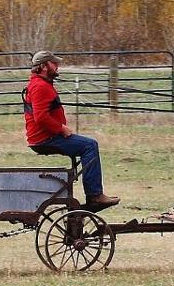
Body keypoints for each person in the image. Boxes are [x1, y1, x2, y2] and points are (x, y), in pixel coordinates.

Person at [23, 50, 121, 209]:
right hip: (46, 138)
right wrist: (61, 128)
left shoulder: (40, 84)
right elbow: (40, 117)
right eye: (54, 63)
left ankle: (94, 195)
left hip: (44, 136)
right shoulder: (40, 86)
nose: (57, 66)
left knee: (88, 144)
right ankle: (94, 196)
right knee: (90, 145)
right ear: (44, 66)